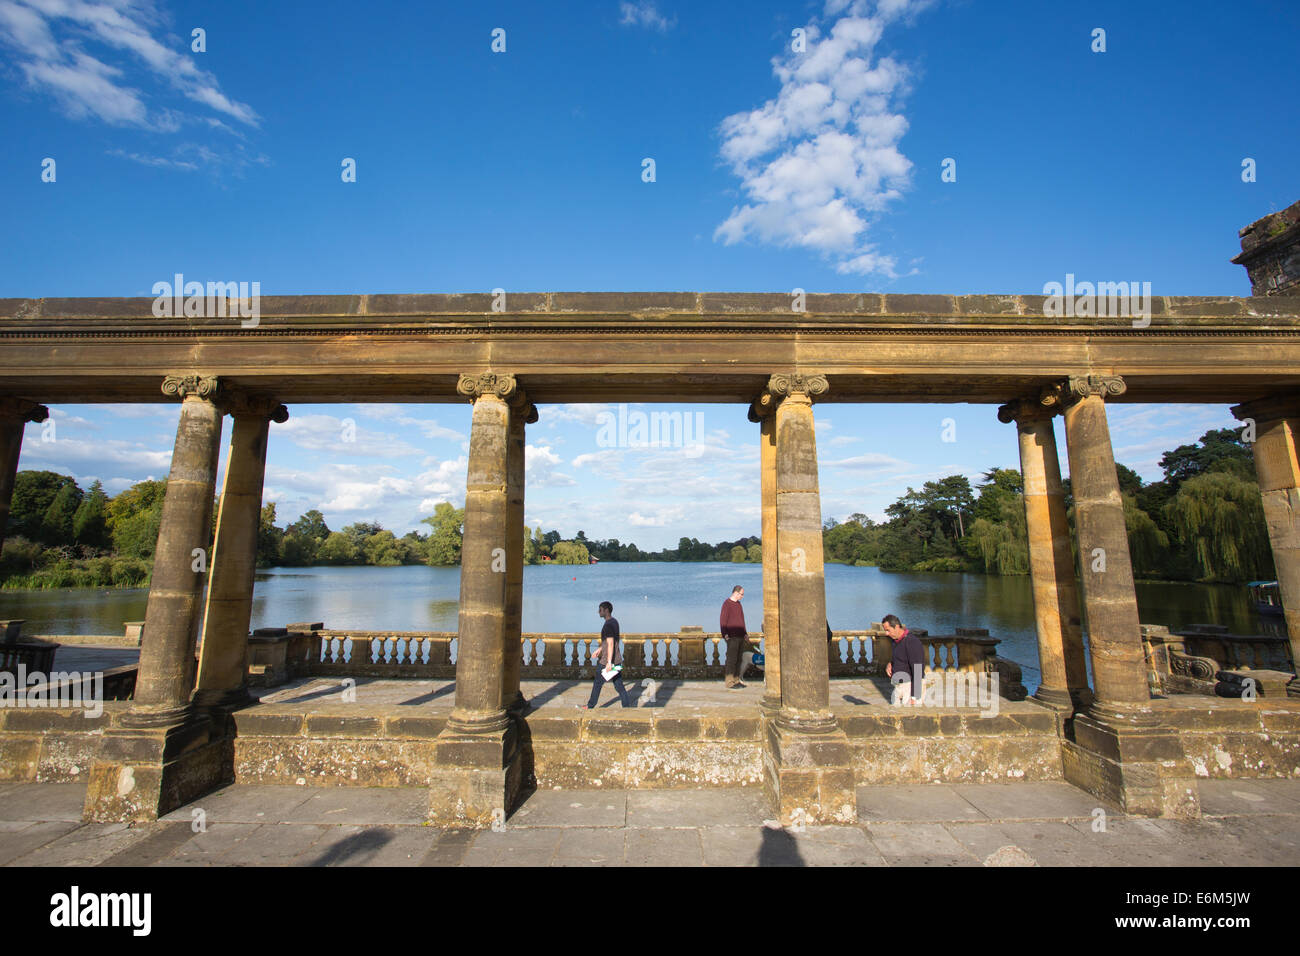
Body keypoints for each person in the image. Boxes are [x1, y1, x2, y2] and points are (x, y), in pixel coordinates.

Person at [580, 600, 632, 709]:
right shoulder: (614, 622)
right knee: (619, 685)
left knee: (598, 683)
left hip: (607, 661)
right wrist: (599, 649)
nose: (598, 612)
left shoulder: (608, 625)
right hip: (617, 659)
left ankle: (590, 706)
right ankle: (627, 707)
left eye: (600, 610)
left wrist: (609, 662)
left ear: (606, 610)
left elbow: (611, 643)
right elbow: (609, 641)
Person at [882, 613, 925, 706]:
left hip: (909, 689)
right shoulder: (895, 641)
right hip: (899, 688)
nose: (886, 633)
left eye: (888, 630)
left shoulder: (912, 642)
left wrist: (914, 697)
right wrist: (890, 664)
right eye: (885, 631)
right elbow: (900, 658)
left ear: (897, 627)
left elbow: (918, 670)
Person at [719, 585, 749, 688]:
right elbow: (723, 621)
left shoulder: (739, 605)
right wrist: (725, 634)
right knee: (731, 659)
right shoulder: (727, 604)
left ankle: (736, 680)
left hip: (741, 636)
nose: (742, 596)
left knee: (739, 659)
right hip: (732, 637)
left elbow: (742, 620)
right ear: (736, 593)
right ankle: (729, 682)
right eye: (741, 594)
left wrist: (745, 633)